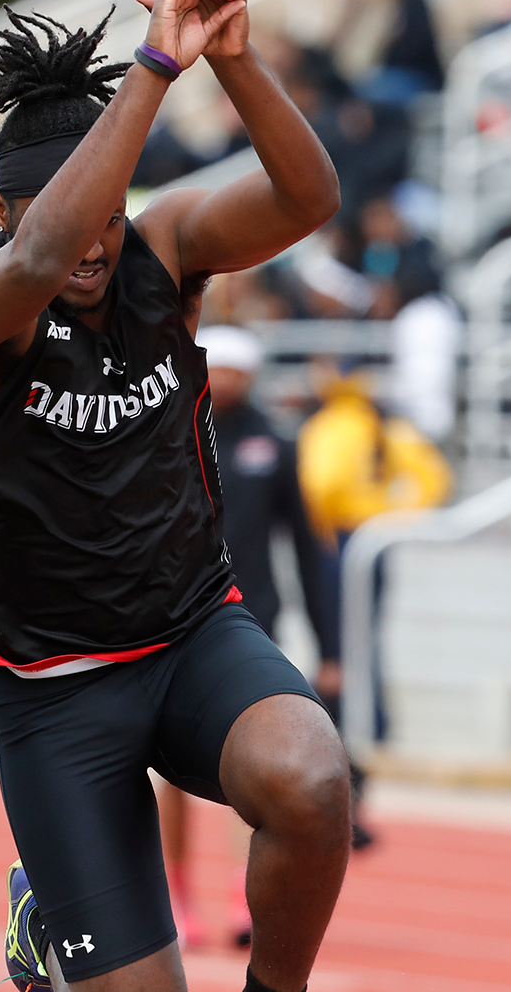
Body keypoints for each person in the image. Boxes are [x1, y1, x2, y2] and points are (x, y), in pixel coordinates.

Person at [0, 0, 347, 992]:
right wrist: (152, 74)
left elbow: (308, 201)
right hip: (57, 690)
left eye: (111, 215)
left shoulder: (164, 255)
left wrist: (234, 61)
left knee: (312, 777)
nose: (94, 244)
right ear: (0, 203)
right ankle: (46, 923)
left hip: (194, 632)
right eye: (70, 214)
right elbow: (35, 259)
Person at [158, 325, 342, 950]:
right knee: (167, 774)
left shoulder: (275, 444)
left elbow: (311, 554)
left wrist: (331, 646)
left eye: (240, 368)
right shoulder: (168, 433)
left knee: (256, 769)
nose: (229, 378)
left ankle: (245, 893)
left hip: (252, 624)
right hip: (172, 622)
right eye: (220, 367)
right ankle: (176, 895)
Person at [297, 358, 451, 849]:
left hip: (341, 543)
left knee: (342, 654)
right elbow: (434, 478)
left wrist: (356, 513)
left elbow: (318, 487)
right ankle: (358, 751)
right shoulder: (386, 426)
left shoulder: (331, 426)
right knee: (360, 650)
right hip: (369, 542)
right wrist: (391, 511)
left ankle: (349, 760)